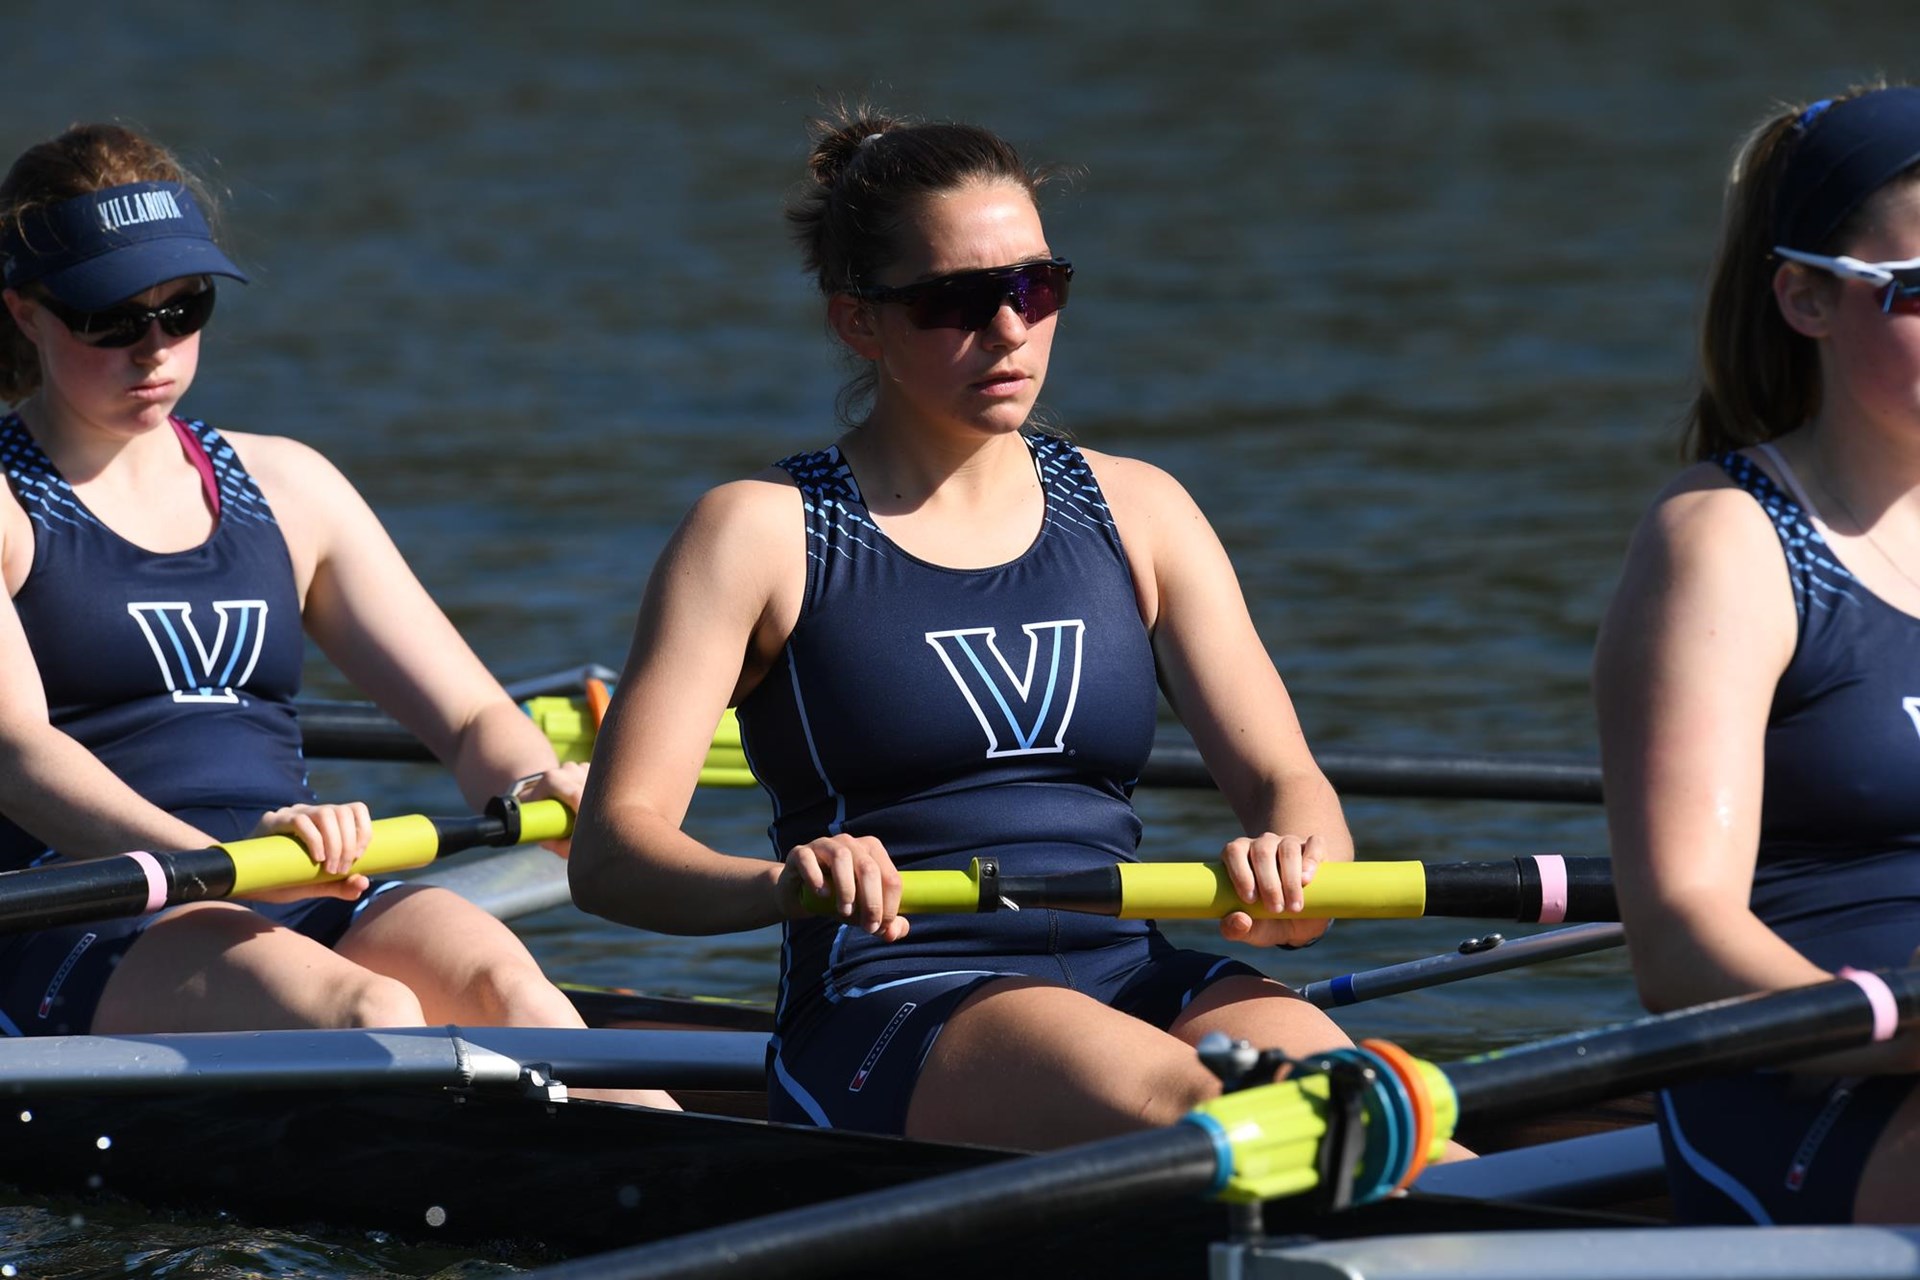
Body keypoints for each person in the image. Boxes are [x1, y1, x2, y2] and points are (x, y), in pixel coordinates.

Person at [570, 106, 1362, 1149]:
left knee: (1388, 1110)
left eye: (1037, 287)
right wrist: (785, 884)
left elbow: (1289, 783)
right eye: (957, 301)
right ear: (859, 322)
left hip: (1128, 966)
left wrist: (1301, 875)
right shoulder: (758, 532)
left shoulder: (1143, 510)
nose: (1009, 330)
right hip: (893, 995)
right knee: (1236, 1119)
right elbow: (612, 854)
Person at [0, 122, 675, 1107]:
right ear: (23, 313)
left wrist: (540, 782)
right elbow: (17, 754)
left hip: (303, 875)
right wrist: (221, 871)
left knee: (515, 993)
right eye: (110, 319)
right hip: (98, 906)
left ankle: (696, 1196)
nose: (154, 347)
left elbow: (471, 716)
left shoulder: (290, 485)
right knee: (372, 1014)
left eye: (183, 309)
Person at [1595, 85, 1920, 1222]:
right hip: (1798, 1074)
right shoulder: (1725, 541)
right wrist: (1901, 1028)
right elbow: (1681, 943)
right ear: (1807, 298)